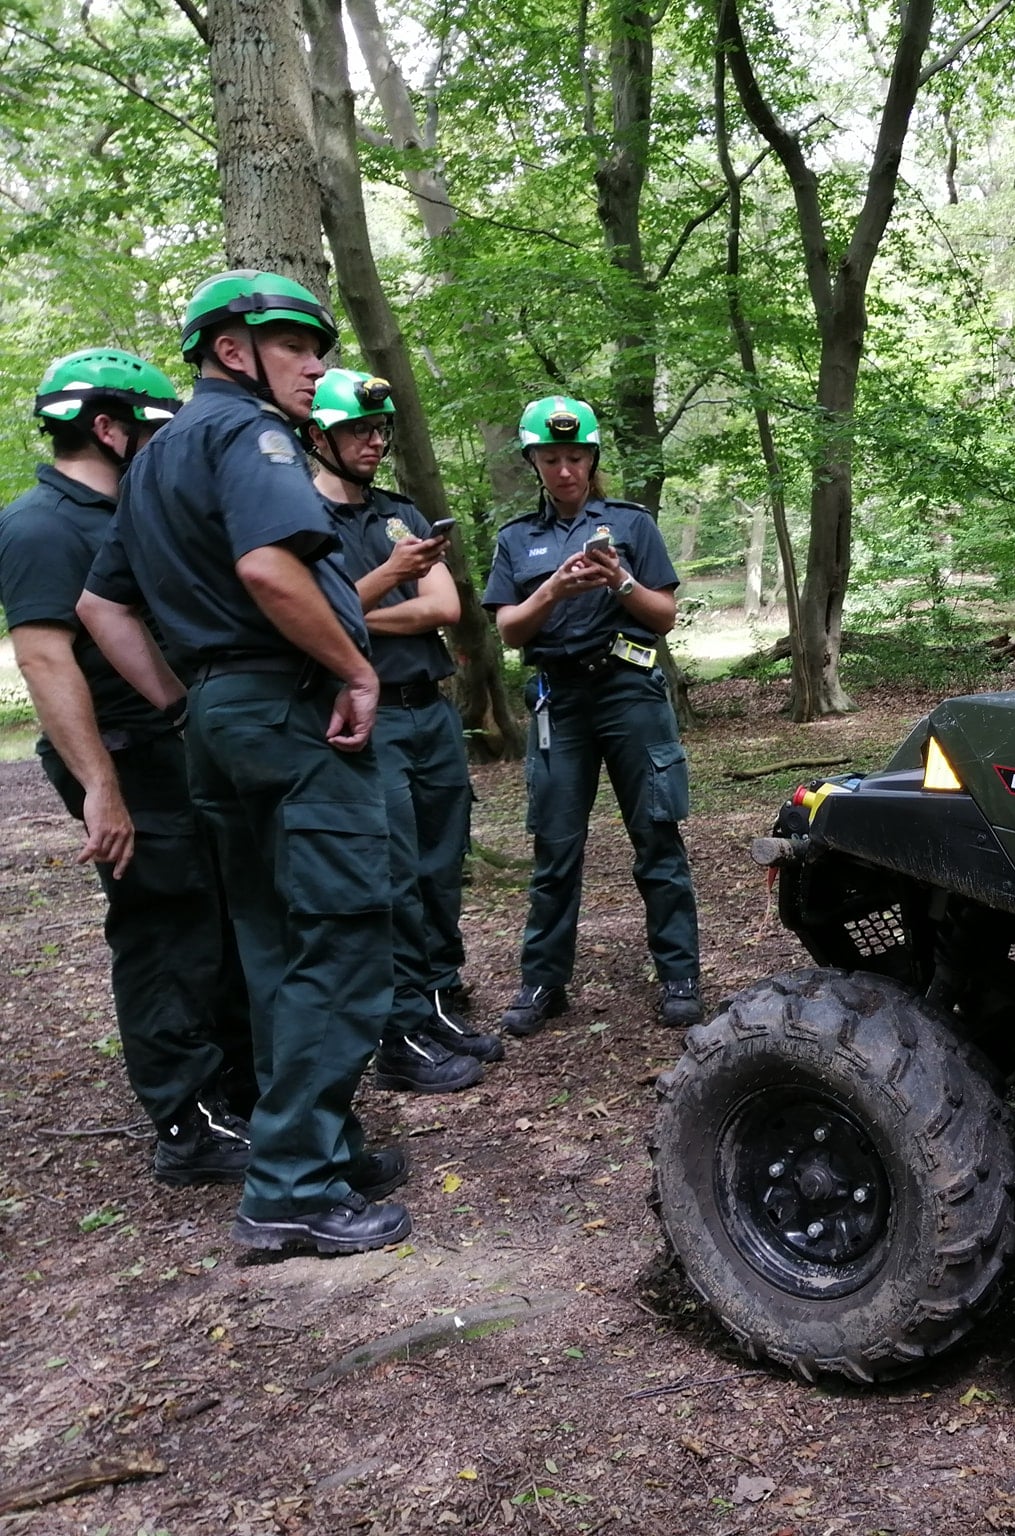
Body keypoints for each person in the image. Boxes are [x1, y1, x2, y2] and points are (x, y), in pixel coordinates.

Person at [77, 269, 410, 1258]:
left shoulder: (153, 461)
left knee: (272, 946)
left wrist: (185, 704)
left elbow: (102, 608)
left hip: (222, 721)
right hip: (292, 711)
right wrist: (354, 668)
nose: (319, 364)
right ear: (235, 350)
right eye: (300, 346)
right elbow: (270, 568)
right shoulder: (248, 435)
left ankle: (319, 1146)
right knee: (344, 937)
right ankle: (294, 1190)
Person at [0, 347, 254, 1186]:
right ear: (106, 429)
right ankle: (186, 1121)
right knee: (163, 930)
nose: (165, 444)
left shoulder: (126, 512)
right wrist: (102, 788)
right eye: (152, 429)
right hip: (125, 758)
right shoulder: (42, 524)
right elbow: (44, 660)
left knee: (212, 919)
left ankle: (233, 1095)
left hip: (176, 748)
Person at [481, 394, 702, 1036]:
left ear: (592, 457)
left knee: (657, 835)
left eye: (575, 456)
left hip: (629, 693)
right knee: (555, 844)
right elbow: (511, 633)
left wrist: (619, 583)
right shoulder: (515, 539)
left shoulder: (631, 527)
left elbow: (663, 617)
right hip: (559, 702)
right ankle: (543, 981)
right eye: (550, 458)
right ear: (534, 462)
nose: (564, 469)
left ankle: (680, 974)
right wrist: (552, 589)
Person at [302, 367, 496, 1085]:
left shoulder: (399, 513)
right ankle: (399, 1027)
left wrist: (349, 611)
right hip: (367, 714)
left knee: (441, 862)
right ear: (318, 435)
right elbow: (298, 616)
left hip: (430, 708)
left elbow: (442, 609)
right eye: (358, 429)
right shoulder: (299, 518)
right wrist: (387, 579)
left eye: (380, 429)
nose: (374, 441)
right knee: (390, 872)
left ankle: (437, 999)